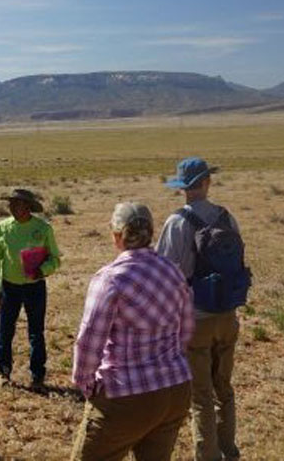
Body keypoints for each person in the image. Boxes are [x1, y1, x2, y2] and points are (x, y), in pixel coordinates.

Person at [71, 203, 194, 461]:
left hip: (126, 394)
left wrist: (85, 383)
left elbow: (89, 341)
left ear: (116, 236)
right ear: (151, 233)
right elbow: (186, 330)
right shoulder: (172, 271)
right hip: (174, 389)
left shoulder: (111, 279)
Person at [156, 158, 246, 461]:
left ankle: (208, 456)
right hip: (228, 316)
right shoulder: (226, 217)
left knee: (201, 396)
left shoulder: (177, 222)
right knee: (224, 388)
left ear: (182, 188)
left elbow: (166, 274)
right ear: (207, 182)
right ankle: (228, 450)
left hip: (195, 319)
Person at [0, 188, 61, 388]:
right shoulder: (1, 228)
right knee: (5, 331)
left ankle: (37, 375)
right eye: (10, 204)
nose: (11, 207)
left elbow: (55, 258)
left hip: (35, 287)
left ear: (27, 206)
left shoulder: (43, 228)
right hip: (9, 288)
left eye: (16, 204)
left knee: (36, 332)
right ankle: (3, 372)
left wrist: (42, 270)